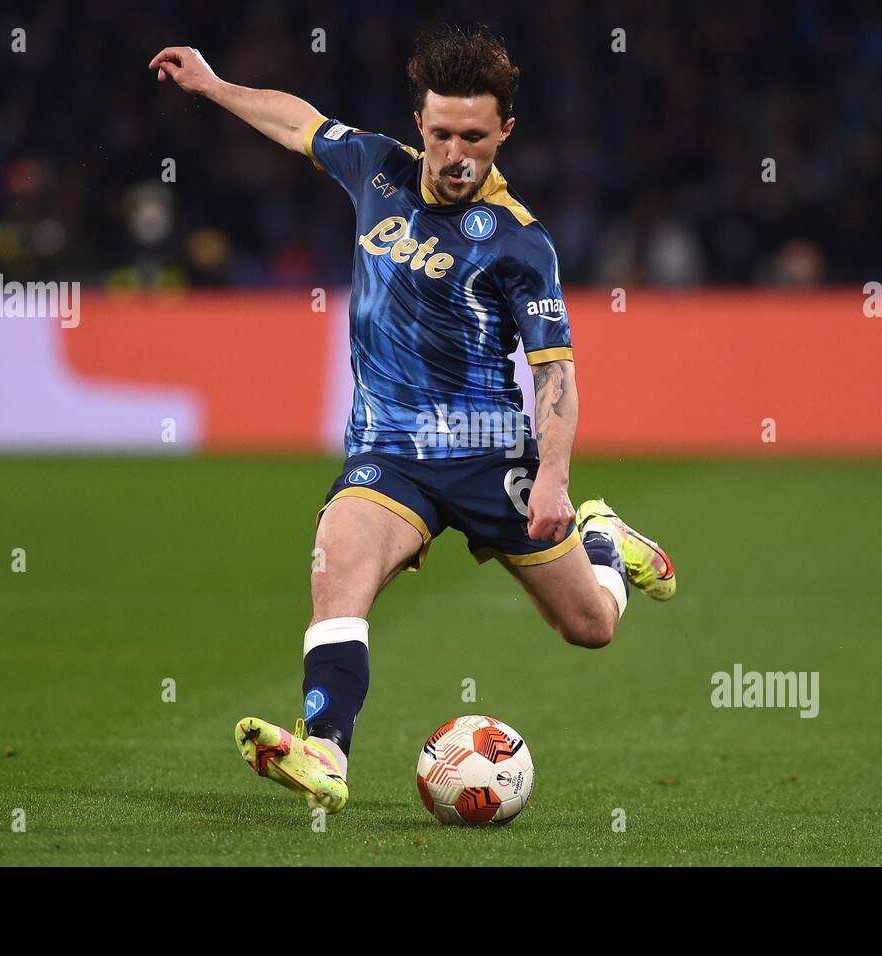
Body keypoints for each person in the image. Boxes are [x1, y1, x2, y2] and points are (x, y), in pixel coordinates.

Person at [150, 24, 676, 814]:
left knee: (591, 625)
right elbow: (298, 121)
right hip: (389, 452)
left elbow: (555, 371)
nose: (456, 154)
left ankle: (603, 538)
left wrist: (556, 482)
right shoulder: (376, 169)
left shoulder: (519, 243)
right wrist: (215, 85)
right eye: (440, 133)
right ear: (420, 124)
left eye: (474, 137)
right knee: (336, 571)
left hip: (488, 454)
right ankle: (325, 753)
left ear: (504, 132)